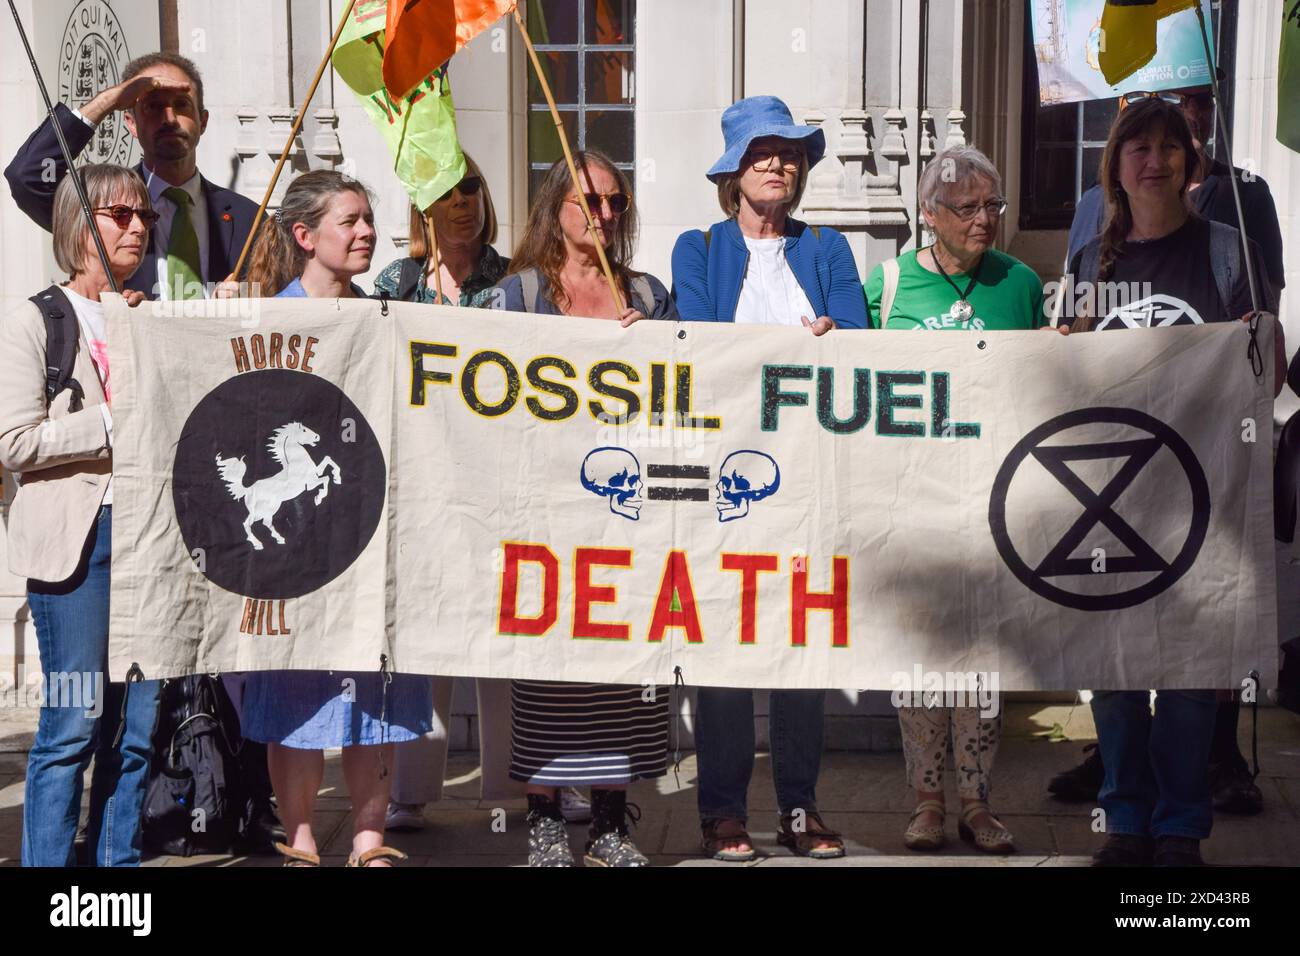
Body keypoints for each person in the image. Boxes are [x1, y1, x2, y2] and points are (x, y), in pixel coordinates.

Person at [1055, 98, 1282, 867]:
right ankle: (1125, 817)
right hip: (1110, 494)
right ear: (1115, 164)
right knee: (1112, 665)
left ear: (1191, 162)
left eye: (1169, 146)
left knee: (1189, 670)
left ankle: (1180, 827)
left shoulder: (1227, 250)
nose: (1154, 160)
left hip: (1200, 495)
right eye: (1138, 147)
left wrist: (1266, 336)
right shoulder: (1089, 261)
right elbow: (1061, 380)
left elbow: (1263, 377)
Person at [670, 94, 866, 861]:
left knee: (801, 643)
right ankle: (721, 810)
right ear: (734, 173)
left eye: (788, 152)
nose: (778, 162)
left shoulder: (827, 249)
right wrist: (792, 341)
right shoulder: (698, 248)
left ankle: (799, 806)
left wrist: (830, 336)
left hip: (809, 476)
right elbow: (699, 340)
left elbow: (856, 336)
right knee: (722, 642)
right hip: (723, 480)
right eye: (761, 153)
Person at [235, 169, 434, 867]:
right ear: (304, 236)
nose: (366, 233)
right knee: (293, 682)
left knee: (375, 681)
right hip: (294, 547)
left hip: (372, 532)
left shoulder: (386, 313)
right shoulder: (261, 315)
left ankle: (371, 838)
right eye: (349, 221)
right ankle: (303, 838)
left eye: (367, 220)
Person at [487, 150, 674, 867]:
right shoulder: (518, 296)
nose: (600, 214)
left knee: (623, 662)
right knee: (545, 662)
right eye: (585, 201)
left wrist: (657, 344)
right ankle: (541, 819)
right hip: (543, 511)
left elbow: (686, 394)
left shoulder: (651, 295)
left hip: (628, 510)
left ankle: (609, 822)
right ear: (553, 208)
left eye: (613, 202)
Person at [865, 145, 1040, 854]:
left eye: (992, 206)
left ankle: (977, 801)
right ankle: (927, 802)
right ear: (927, 214)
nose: (984, 220)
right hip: (911, 501)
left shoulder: (1020, 282)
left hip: (993, 501)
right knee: (919, 662)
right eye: (966, 208)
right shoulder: (889, 283)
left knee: (982, 661)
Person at [0, 165, 163, 865]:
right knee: (72, 722)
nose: (136, 226)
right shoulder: (32, 318)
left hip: (151, 540)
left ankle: (114, 874)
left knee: (139, 727)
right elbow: (13, 443)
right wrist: (107, 419)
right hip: (78, 545)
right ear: (77, 224)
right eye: (118, 214)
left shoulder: (150, 318)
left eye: (143, 216)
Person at [371, 157, 534, 829]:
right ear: (422, 207)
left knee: (501, 635)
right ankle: (410, 793)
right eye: (444, 191)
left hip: (499, 479)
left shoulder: (515, 279)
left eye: (472, 186)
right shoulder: (397, 281)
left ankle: (508, 788)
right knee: (421, 635)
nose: (461, 201)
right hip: (418, 480)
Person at [5, 52, 256, 301]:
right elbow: (28, 177)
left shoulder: (248, 218)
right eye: (153, 107)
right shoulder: (101, 208)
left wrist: (247, 300)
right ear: (131, 123)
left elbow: (277, 301)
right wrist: (108, 101)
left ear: (203, 121)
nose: (169, 119)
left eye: (181, 105)